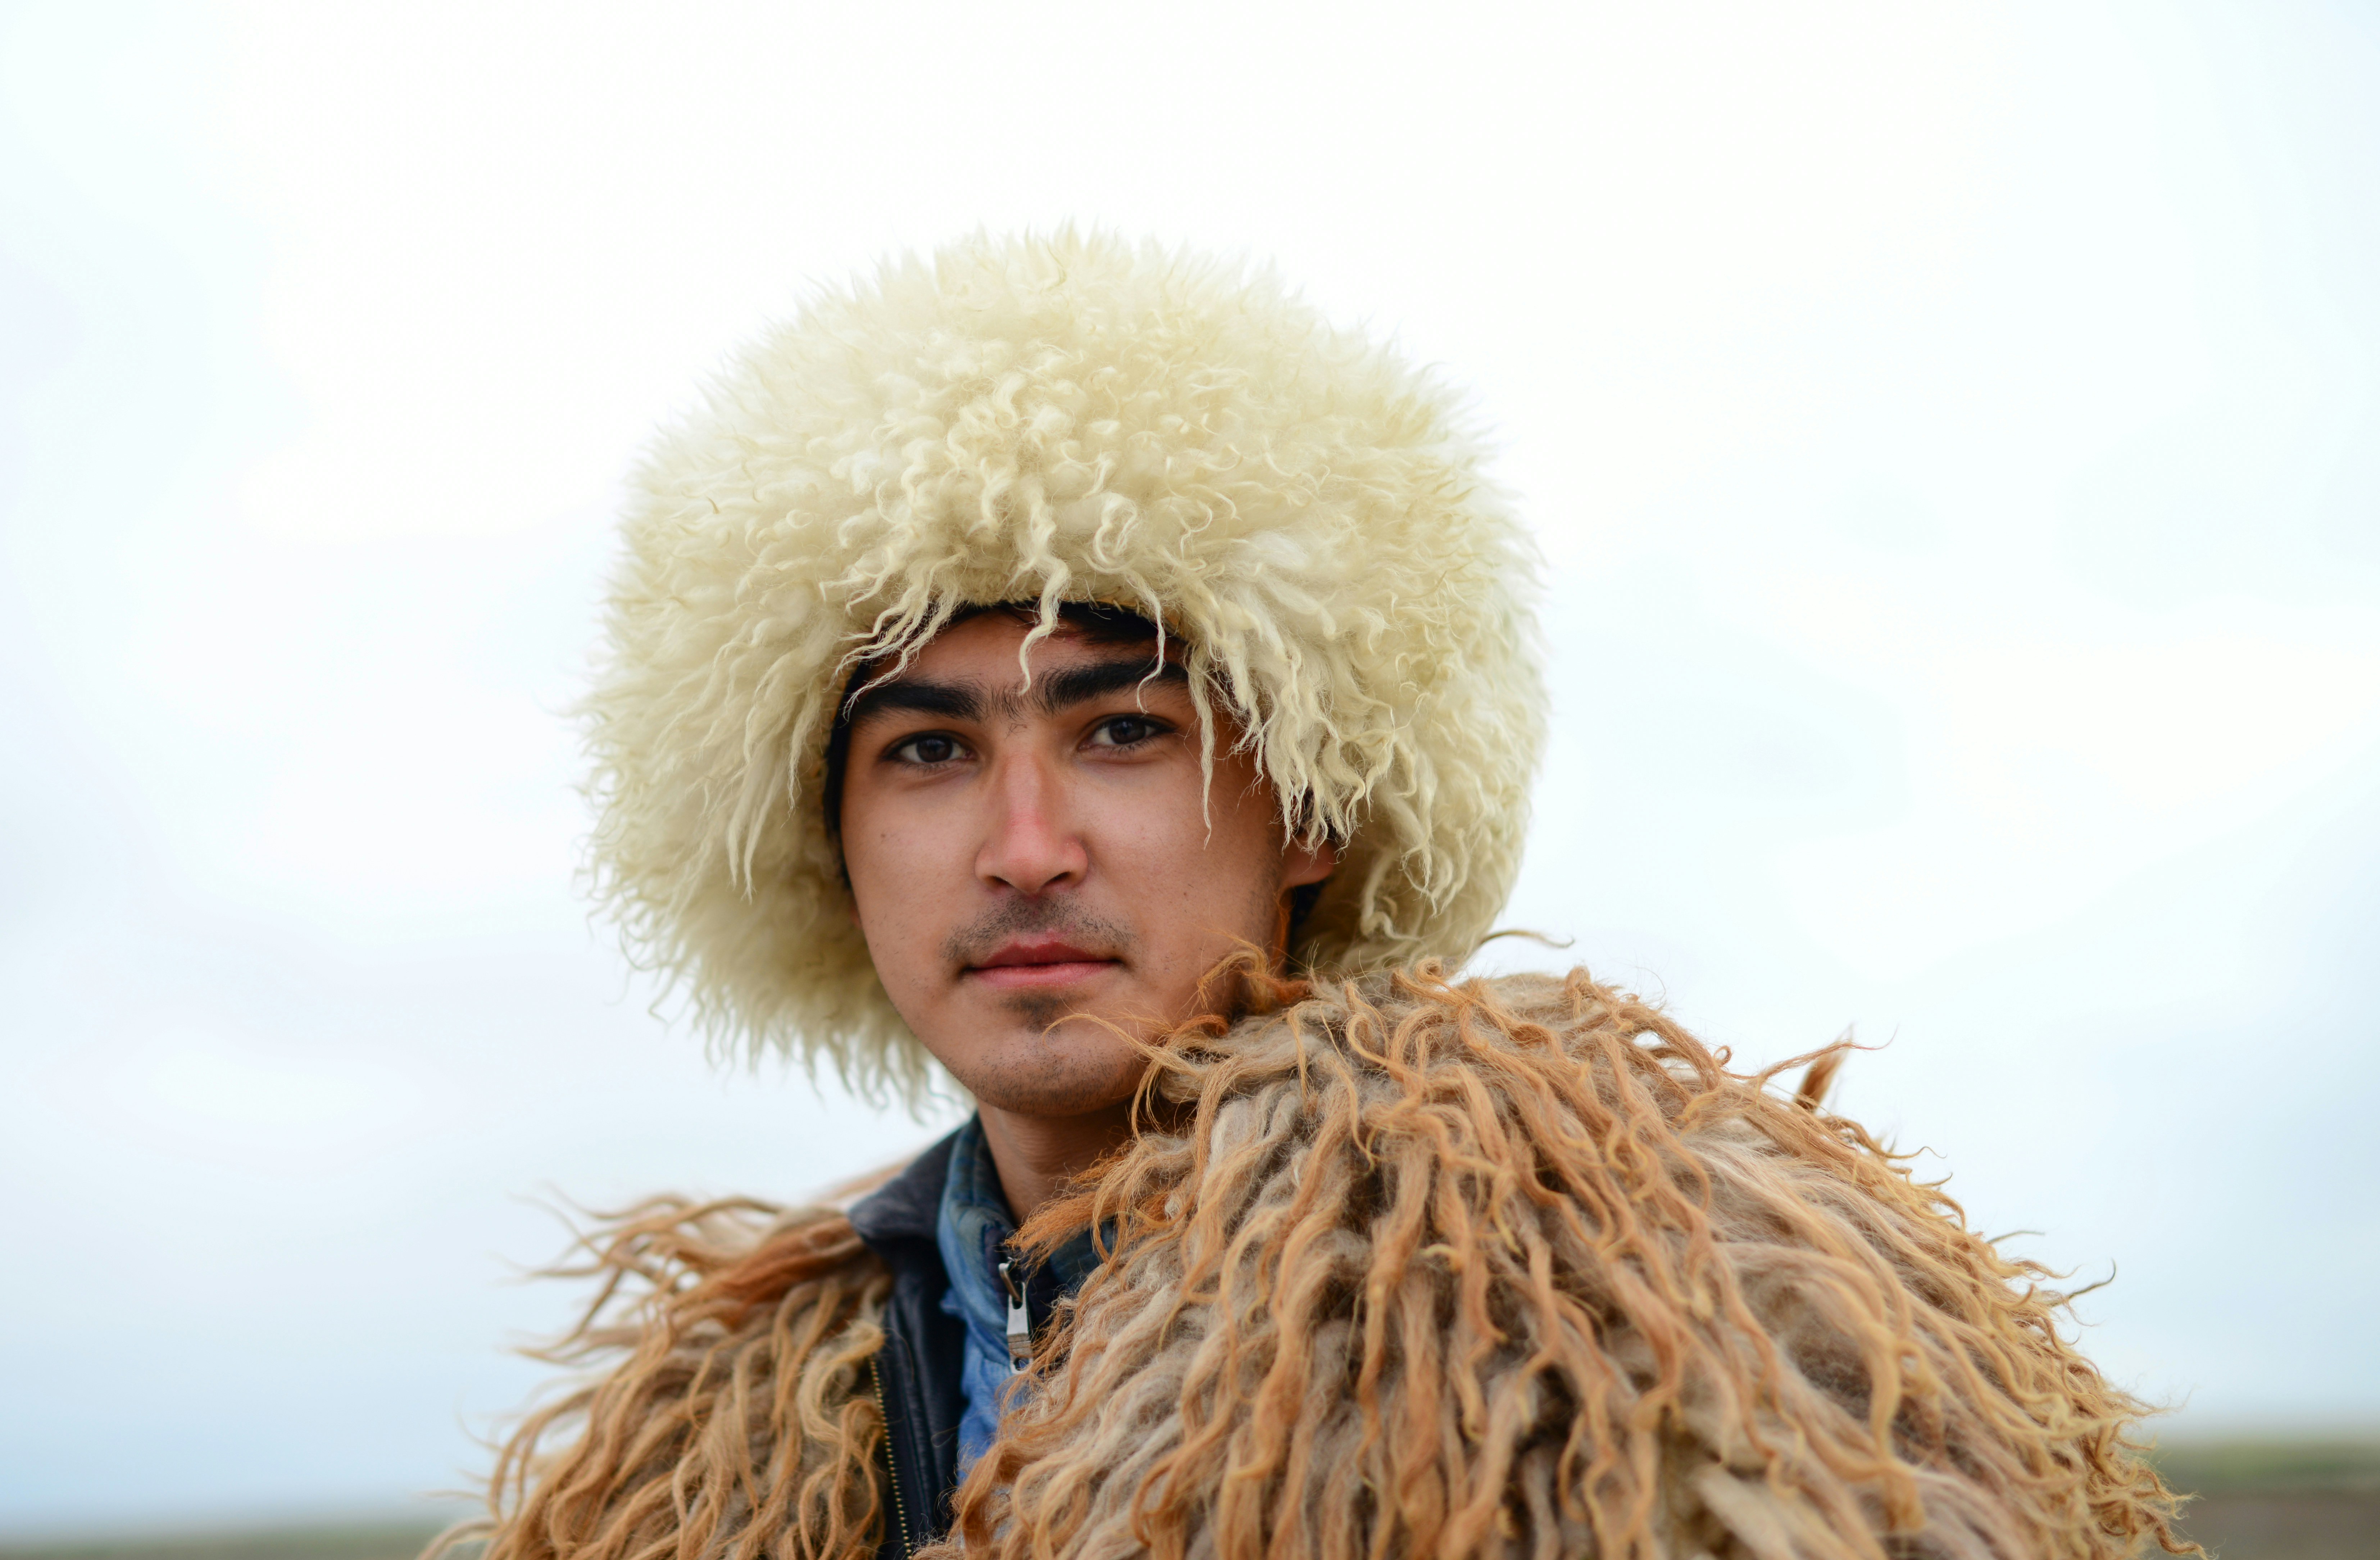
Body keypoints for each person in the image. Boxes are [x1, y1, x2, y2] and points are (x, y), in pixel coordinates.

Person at [453, 232, 2185, 1560]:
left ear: (1315, 807)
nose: (1027, 842)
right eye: (924, 753)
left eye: (1122, 727)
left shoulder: (1656, 1292)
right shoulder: (726, 1435)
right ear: (825, 839)